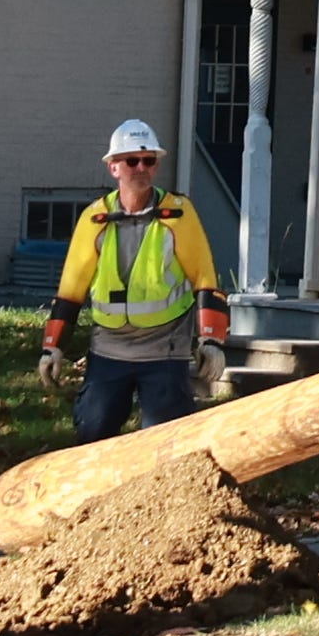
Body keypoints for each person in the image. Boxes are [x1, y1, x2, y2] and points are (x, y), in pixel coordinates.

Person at [37, 120, 232, 440]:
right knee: (93, 431)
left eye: (149, 160)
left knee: (165, 441)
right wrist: (52, 347)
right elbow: (71, 290)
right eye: (131, 161)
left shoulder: (179, 214)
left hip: (165, 349)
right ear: (113, 167)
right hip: (109, 349)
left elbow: (205, 280)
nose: (141, 167)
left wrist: (211, 342)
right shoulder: (94, 218)